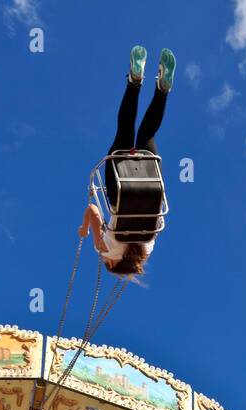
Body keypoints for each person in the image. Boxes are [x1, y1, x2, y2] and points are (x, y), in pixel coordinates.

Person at [79, 46, 175, 276]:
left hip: (151, 188)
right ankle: (135, 81)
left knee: (147, 133)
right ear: (111, 263)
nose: (103, 258)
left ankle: (163, 89)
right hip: (119, 191)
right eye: (105, 262)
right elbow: (93, 209)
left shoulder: (146, 250)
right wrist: (84, 229)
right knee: (124, 130)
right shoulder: (104, 248)